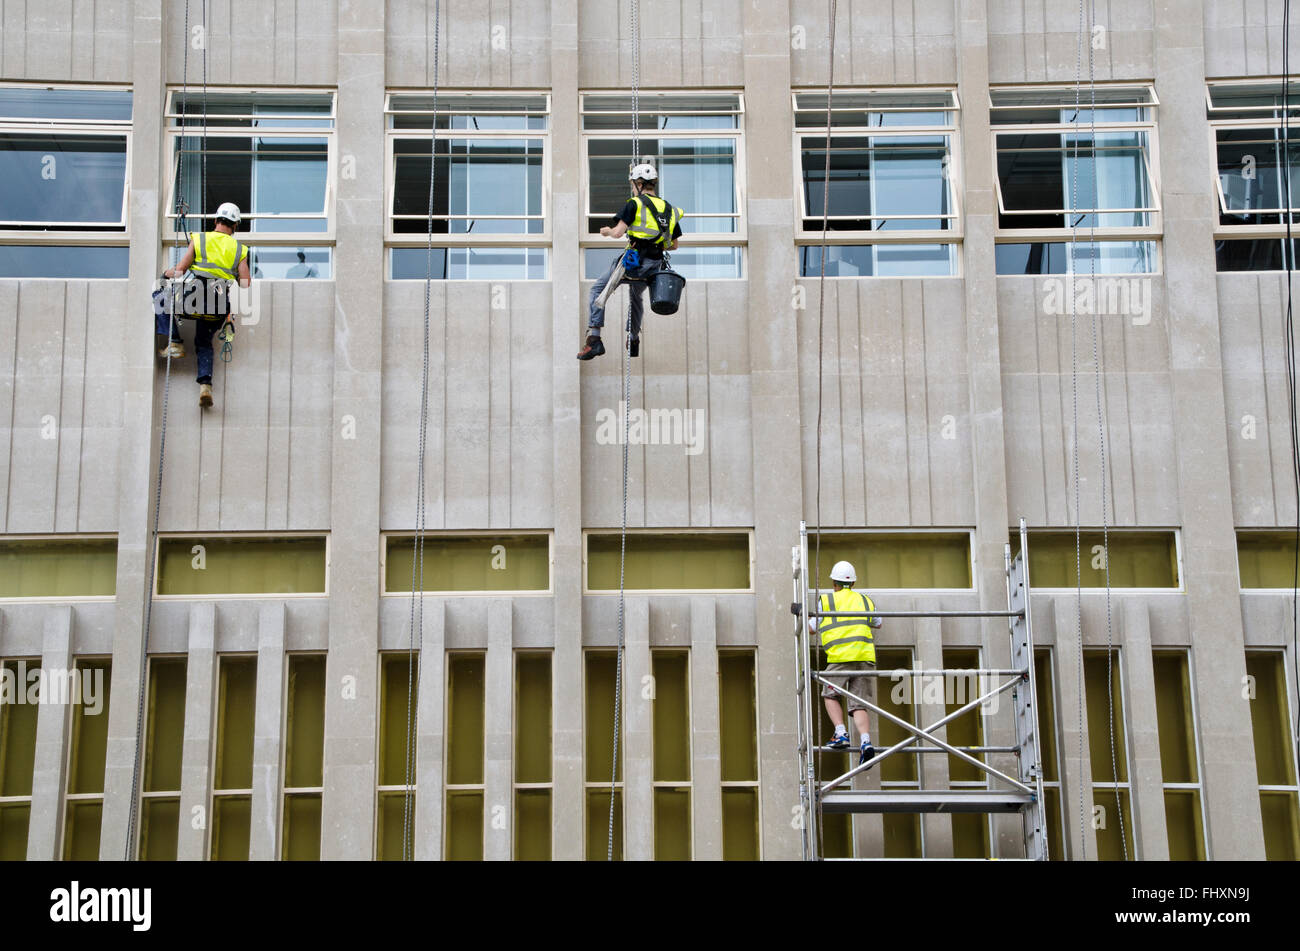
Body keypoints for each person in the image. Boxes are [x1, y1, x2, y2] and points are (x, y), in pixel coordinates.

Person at [576, 162, 683, 360]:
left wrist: (607, 231)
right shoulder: (669, 209)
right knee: (636, 296)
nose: (633, 188)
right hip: (653, 267)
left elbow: (618, 233)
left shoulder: (635, 204)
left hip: (632, 264)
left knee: (598, 290)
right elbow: (674, 245)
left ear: (639, 184)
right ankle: (633, 338)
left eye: (633, 184)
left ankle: (595, 340)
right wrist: (655, 243)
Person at [158, 201, 252, 408]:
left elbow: (180, 271)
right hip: (217, 306)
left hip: (194, 299)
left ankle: (174, 341)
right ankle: (205, 386)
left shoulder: (200, 239)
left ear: (216, 220)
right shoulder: (239, 249)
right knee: (203, 342)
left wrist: (165, 273)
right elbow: (245, 284)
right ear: (235, 226)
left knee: (160, 295)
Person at [810, 560, 883, 766]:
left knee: (830, 693)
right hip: (864, 658)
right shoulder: (865, 601)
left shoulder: (827, 601)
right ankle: (866, 741)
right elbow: (878, 623)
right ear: (852, 584)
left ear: (834, 582)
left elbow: (811, 628)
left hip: (841, 657)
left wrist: (802, 616)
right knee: (859, 703)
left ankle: (841, 732)